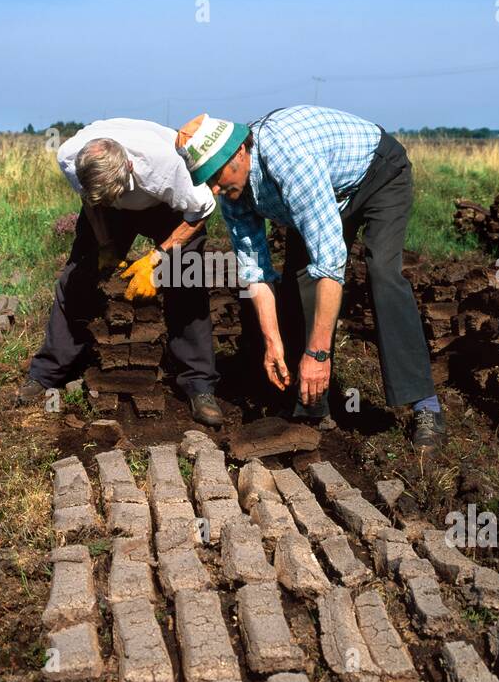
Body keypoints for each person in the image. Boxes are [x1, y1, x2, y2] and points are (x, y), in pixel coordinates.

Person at [175, 105, 444, 448]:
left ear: (239, 151)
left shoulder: (289, 161)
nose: (214, 189)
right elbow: (256, 273)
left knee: (382, 273)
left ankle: (425, 403)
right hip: (323, 192)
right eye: (207, 180)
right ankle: (313, 404)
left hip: (377, 175)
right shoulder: (232, 193)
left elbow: (330, 264)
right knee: (301, 283)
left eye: (216, 175)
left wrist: (318, 355)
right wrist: (273, 344)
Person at [18, 118, 224, 427]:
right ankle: (48, 371)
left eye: (116, 193)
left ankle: (199, 384)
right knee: (78, 277)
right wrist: (105, 246)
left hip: (168, 208)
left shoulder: (168, 166)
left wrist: (158, 257)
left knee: (185, 279)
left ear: (128, 166)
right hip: (107, 205)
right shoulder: (71, 158)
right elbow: (92, 202)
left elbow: (202, 210)